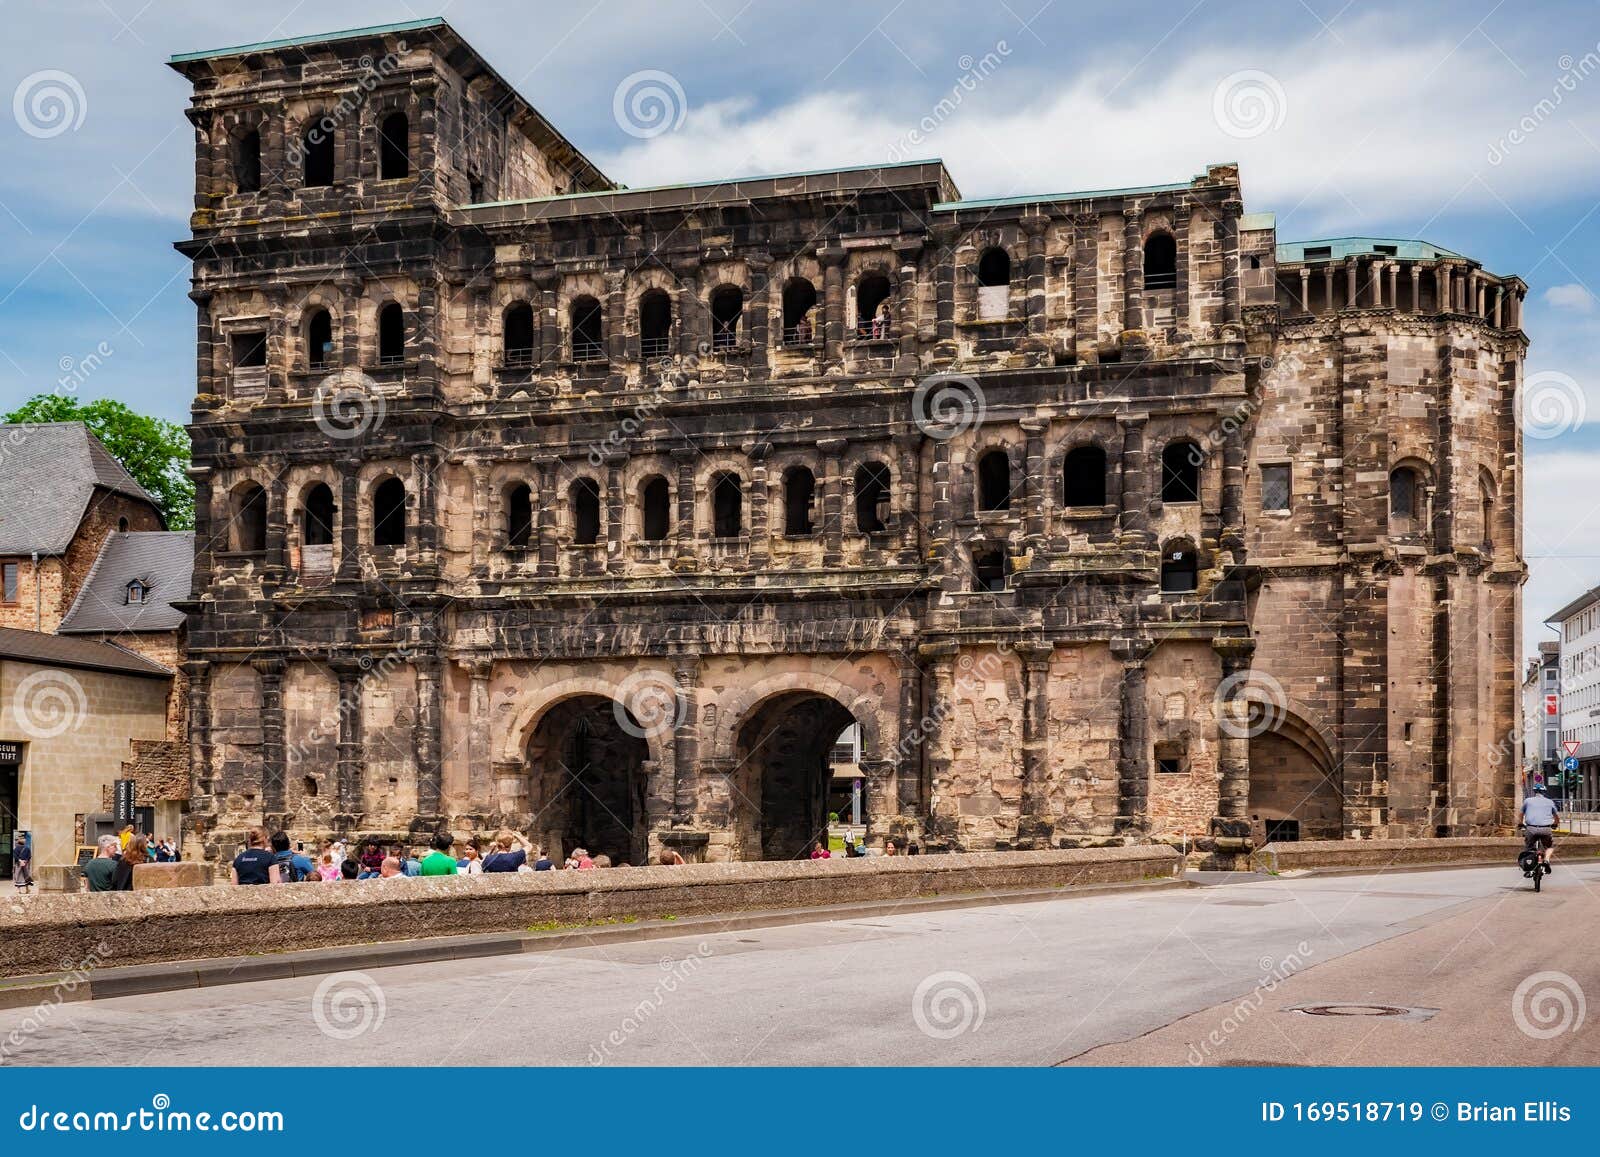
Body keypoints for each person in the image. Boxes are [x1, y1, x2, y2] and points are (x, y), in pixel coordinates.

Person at [1521, 783, 1561, 870]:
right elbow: (1556, 817)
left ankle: (1529, 864)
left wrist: (1520, 823)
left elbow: (1521, 814)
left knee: (1528, 847)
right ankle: (1546, 860)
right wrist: (1555, 824)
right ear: (1544, 792)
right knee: (1549, 847)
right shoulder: (1550, 802)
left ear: (1534, 791)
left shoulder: (1527, 801)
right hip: (1545, 829)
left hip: (1531, 829)